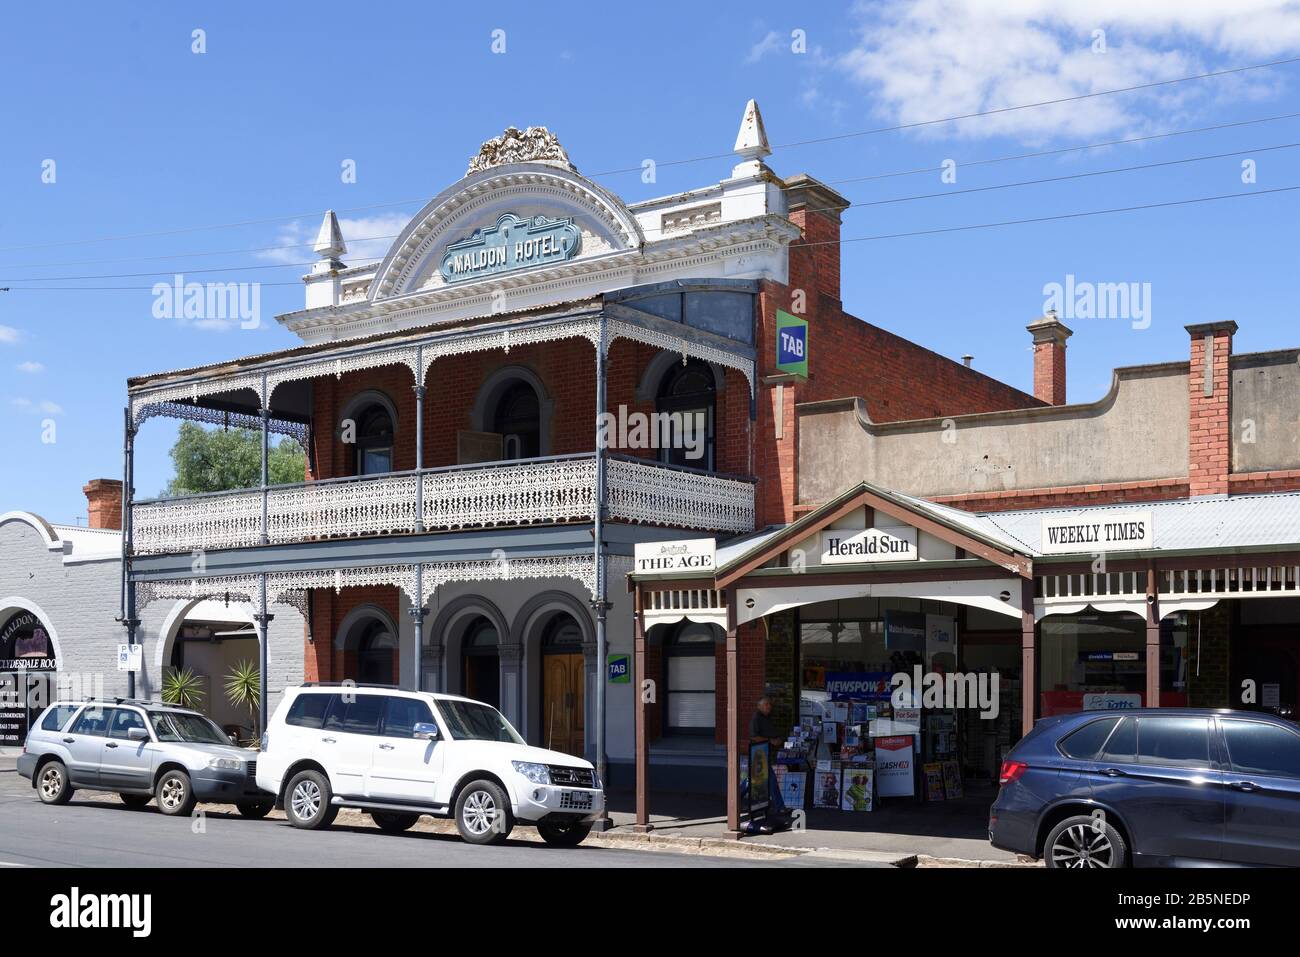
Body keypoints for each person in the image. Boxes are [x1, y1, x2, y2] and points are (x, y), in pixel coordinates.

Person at [745, 696, 789, 834]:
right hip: (759, 755)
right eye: (766, 705)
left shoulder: (766, 718)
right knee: (770, 780)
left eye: (769, 704)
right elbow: (753, 736)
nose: (769, 707)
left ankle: (737, 798)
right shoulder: (756, 719)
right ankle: (779, 806)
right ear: (759, 706)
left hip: (765, 754)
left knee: (752, 781)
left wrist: (777, 739)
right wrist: (770, 740)